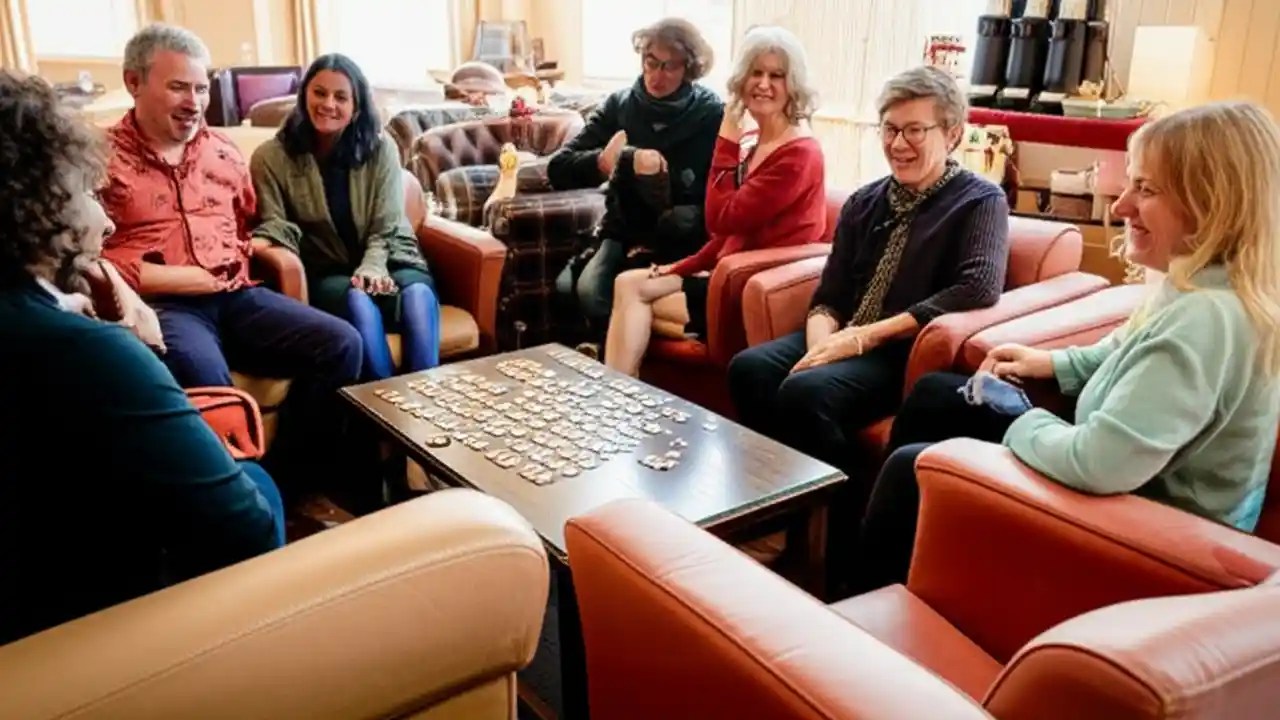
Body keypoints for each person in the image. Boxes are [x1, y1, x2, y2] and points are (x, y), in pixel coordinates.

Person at [856, 100, 1280, 593]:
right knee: (935, 395)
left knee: (913, 470)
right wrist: (1052, 363)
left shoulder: (1206, 321)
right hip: (1125, 487)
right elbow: (1127, 351)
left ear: (1214, 204)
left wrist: (1019, 416)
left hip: (1144, 539)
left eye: (1144, 190)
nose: (1120, 206)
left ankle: (866, 605)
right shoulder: (1203, 285)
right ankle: (891, 570)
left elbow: (1097, 464)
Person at [0, 71, 284, 645]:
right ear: (34, 203)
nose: (104, 219)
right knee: (262, 487)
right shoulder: (87, 353)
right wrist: (139, 345)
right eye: (86, 192)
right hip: (99, 638)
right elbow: (245, 530)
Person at [99, 25, 368, 497]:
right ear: (133, 82)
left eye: (201, 88)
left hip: (238, 295)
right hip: (164, 306)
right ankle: (234, 503)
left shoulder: (223, 152)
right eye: (178, 86)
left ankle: (289, 485)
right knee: (208, 379)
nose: (194, 101)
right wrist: (185, 278)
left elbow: (249, 222)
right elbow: (87, 259)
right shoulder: (99, 161)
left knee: (342, 343)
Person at [727, 65, 1009, 481]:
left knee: (806, 393)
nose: (898, 144)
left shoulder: (980, 200)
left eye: (914, 131)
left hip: (901, 351)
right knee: (749, 369)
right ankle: (780, 503)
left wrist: (864, 338)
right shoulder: (865, 201)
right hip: (846, 336)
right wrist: (821, 348)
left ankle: (843, 518)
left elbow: (978, 287)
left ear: (952, 134)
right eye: (889, 129)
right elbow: (831, 293)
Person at [602, 26, 826, 376]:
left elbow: (719, 219)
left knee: (630, 295)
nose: (763, 84)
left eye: (776, 76)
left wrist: (725, 141)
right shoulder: (756, 141)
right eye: (756, 72)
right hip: (728, 268)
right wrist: (681, 267)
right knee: (626, 281)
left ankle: (619, 398)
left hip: (754, 283)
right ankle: (619, 394)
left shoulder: (798, 153)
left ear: (792, 85)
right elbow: (729, 236)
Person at [251, 53, 440, 380]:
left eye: (341, 97)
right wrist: (261, 241)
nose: (328, 104)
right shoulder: (271, 156)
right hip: (329, 270)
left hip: (391, 257)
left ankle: (427, 408)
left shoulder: (381, 149)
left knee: (419, 296)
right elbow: (276, 220)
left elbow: (388, 222)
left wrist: (374, 265)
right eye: (319, 92)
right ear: (304, 94)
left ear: (356, 107)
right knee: (358, 299)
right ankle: (383, 410)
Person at [549, 17, 725, 335]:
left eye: (669, 67)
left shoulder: (712, 113)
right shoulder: (620, 105)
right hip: (624, 230)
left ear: (688, 68)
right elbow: (558, 167)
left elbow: (722, 192)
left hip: (683, 236)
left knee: (598, 291)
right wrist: (602, 163)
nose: (657, 76)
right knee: (575, 289)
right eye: (651, 62)